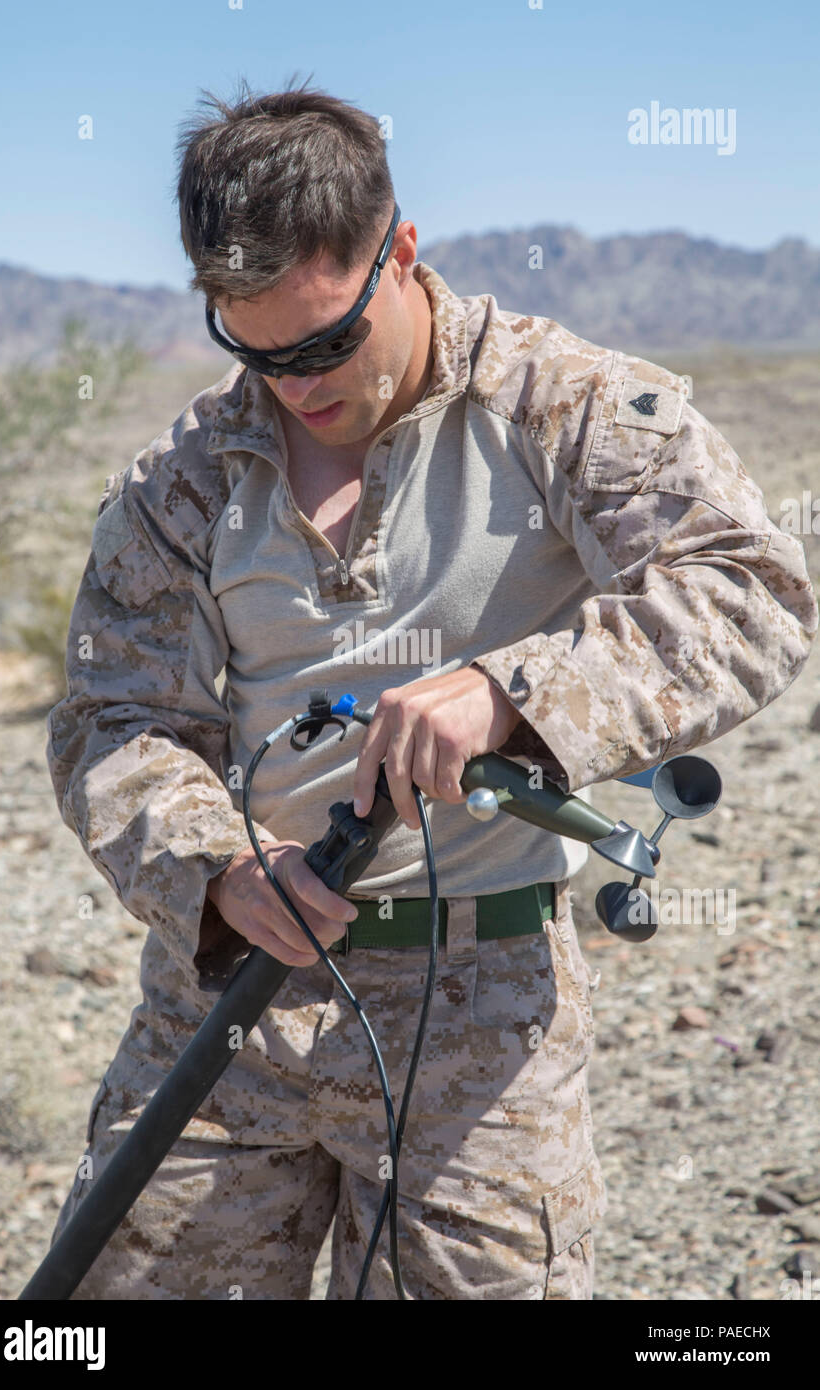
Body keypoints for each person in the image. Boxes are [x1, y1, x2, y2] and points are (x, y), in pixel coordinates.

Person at [44, 79, 818, 1301]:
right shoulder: (184, 480)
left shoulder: (556, 402)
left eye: (321, 345)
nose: (291, 385)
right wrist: (216, 873)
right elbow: (110, 719)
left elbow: (750, 590)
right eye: (249, 347)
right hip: (231, 1006)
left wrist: (512, 694)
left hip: (479, 1022)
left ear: (398, 253)